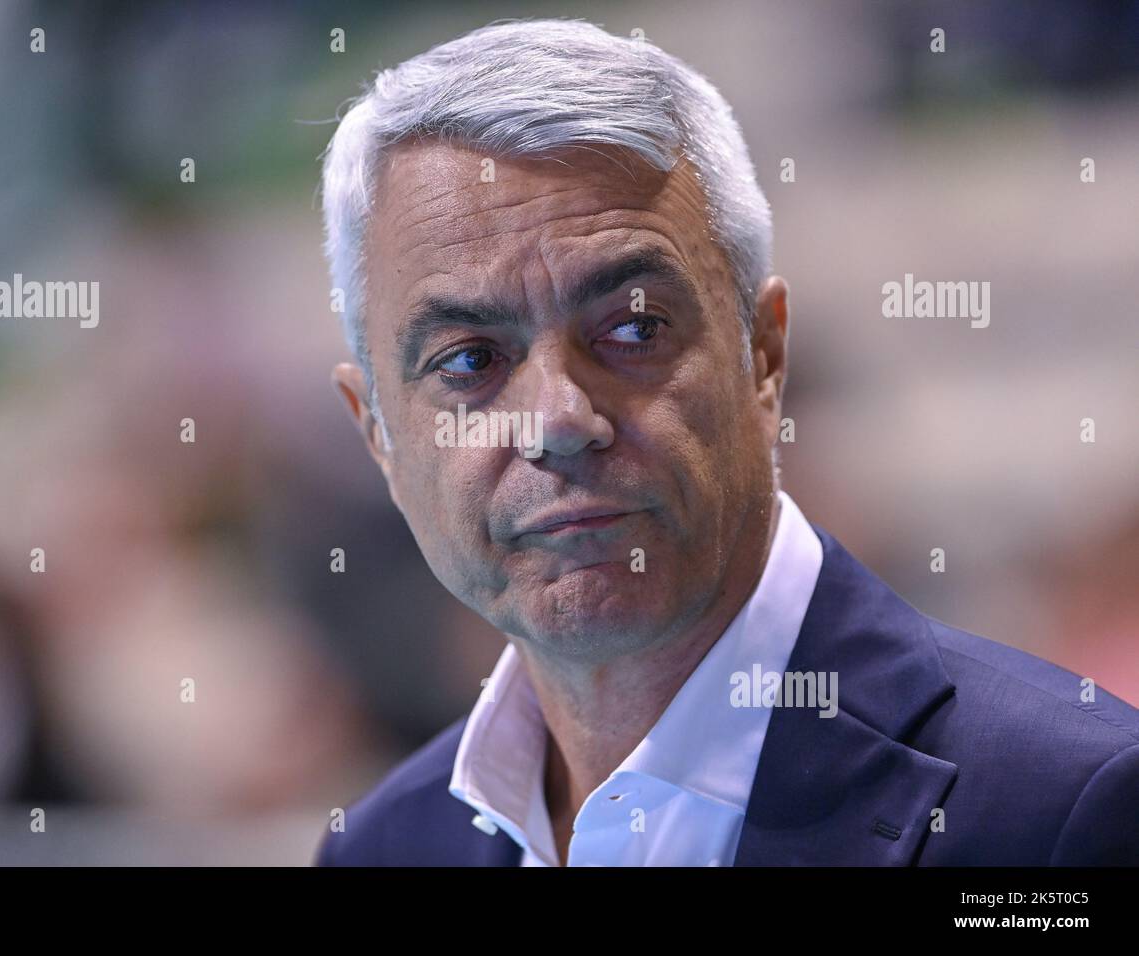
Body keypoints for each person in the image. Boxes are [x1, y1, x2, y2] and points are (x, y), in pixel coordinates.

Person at [311, 19, 1139, 866]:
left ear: (765, 354)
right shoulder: (381, 848)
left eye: (632, 329)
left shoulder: (1069, 812)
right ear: (376, 433)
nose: (556, 418)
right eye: (470, 361)